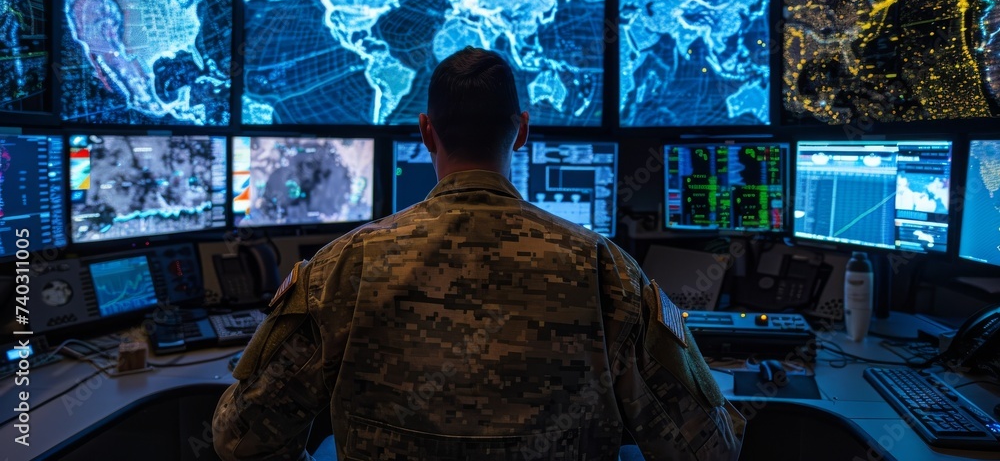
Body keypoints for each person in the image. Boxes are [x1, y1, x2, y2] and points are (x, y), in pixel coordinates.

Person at [213, 47, 745, 460]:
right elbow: (709, 450)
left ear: (426, 132)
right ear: (522, 132)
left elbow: (239, 439)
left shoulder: (340, 268)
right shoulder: (606, 270)